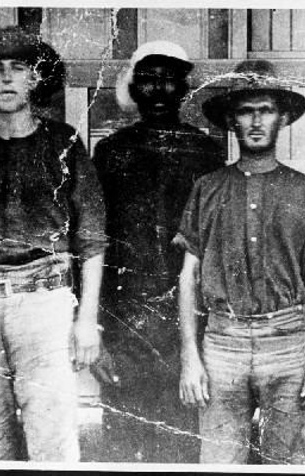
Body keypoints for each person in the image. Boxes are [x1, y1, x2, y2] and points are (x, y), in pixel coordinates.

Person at [0, 26, 107, 461]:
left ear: (35, 80)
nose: (7, 79)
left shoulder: (63, 143)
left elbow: (93, 240)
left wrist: (86, 321)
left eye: (19, 68)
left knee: (51, 435)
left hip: (43, 300)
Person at [176, 60, 305, 465]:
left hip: (288, 343)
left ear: (282, 118)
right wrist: (189, 357)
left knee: (288, 461)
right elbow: (187, 277)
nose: (255, 120)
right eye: (246, 111)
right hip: (223, 344)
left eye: (265, 110)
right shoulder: (208, 189)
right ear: (232, 120)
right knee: (219, 462)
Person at [91, 40, 224, 463]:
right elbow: (95, 242)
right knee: (124, 443)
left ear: (184, 89)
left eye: (170, 80)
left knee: (183, 441)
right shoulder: (110, 152)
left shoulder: (205, 152)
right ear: (135, 87)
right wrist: (98, 331)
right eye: (148, 80)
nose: (160, 89)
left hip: (185, 324)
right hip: (124, 323)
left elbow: (209, 243)